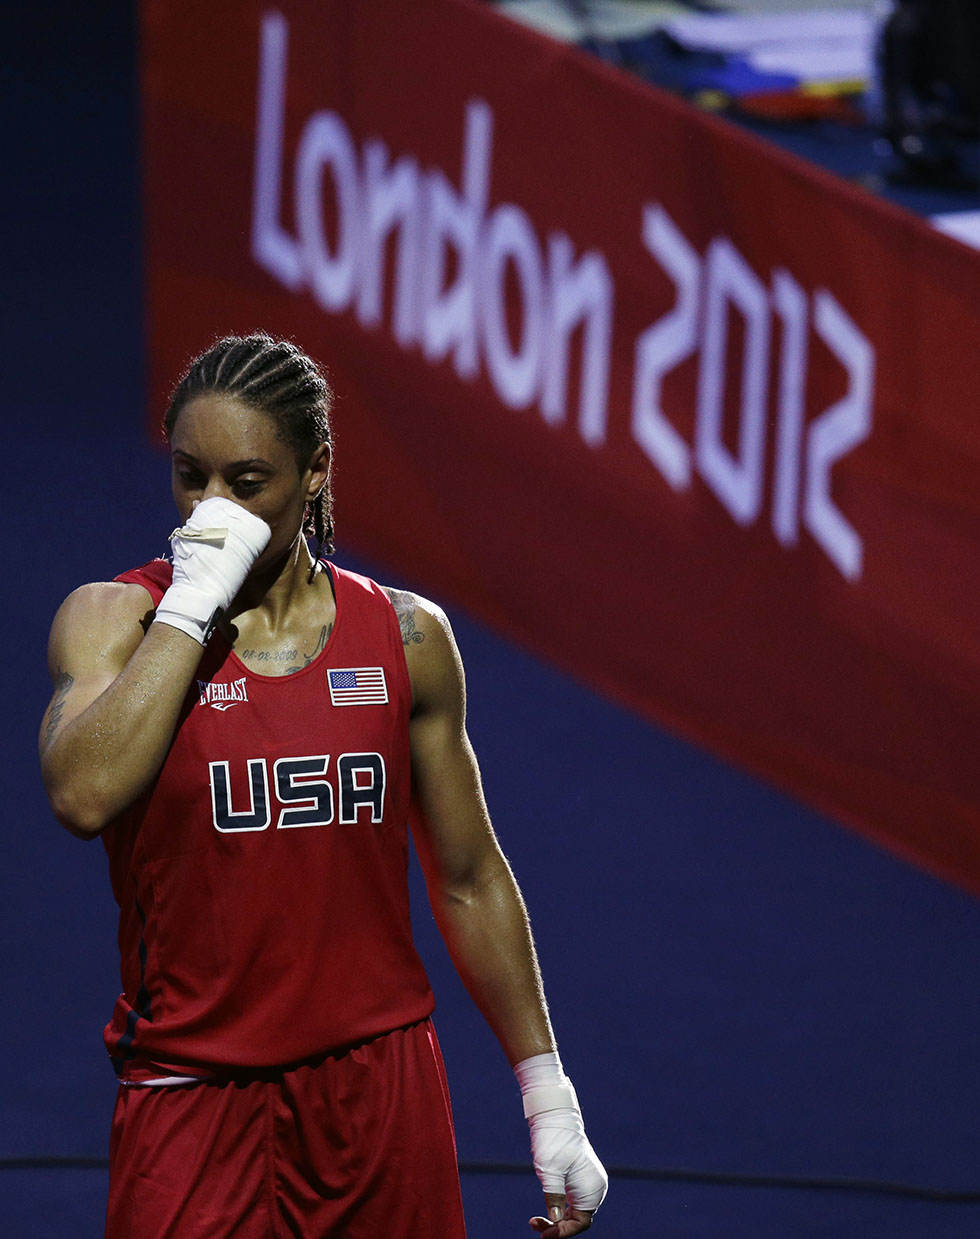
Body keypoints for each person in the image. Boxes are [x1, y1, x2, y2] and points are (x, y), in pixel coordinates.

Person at [39, 333, 607, 1238]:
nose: (212, 509)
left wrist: (550, 1098)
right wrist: (193, 605)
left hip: (379, 1100)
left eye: (247, 482)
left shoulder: (407, 638)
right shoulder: (117, 619)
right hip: (192, 1096)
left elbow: (468, 874)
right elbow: (82, 794)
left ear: (315, 474)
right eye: (192, 476)